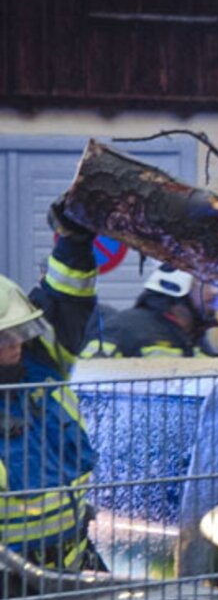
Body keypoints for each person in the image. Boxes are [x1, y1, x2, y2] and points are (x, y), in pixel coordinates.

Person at [0, 209, 103, 571]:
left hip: (71, 564)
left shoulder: (43, 366)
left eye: (18, 333)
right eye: (2, 338)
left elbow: (65, 299)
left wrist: (73, 241)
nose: (14, 346)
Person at [86, 261, 218, 357]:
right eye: (206, 284)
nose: (215, 292)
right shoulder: (125, 330)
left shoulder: (198, 342)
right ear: (176, 287)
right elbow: (88, 383)